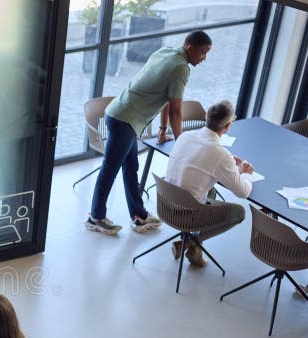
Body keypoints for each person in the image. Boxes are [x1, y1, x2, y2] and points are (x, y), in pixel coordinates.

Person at [86, 30, 213, 236]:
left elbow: (166, 99)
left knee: (130, 168)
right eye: (203, 53)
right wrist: (182, 143)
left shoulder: (166, 52)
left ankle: (139, 216)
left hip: (121, 114)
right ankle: (96, 216)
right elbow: (176, 110)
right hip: (125, 120)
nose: (204, 58)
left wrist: (163, 129)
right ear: (190, 48)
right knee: (110, 169)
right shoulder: (181, 68)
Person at [165, 100, 254, 267]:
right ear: (227, 126)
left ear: (206, 117)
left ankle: (194, 250)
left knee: (210, 190)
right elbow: (243, 192)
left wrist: (228, 162)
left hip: (166, 204)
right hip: (185, 213)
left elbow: (202, 159)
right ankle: (191, 242)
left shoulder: (185, 136)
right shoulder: (220, 154)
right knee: (239, 212)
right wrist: (245, 174)